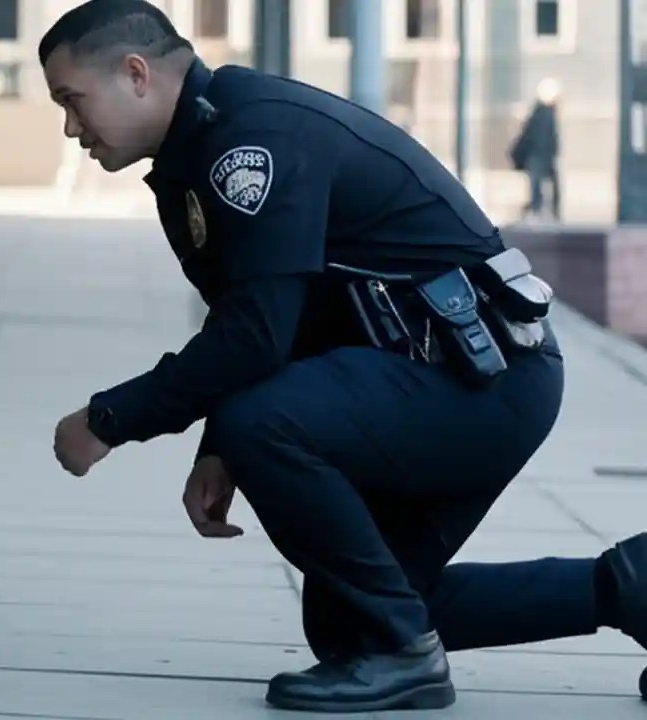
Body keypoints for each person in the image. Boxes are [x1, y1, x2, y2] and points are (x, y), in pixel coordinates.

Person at [40, 0, 646, 712]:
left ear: (136, 73)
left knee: (272, 436)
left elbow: (256, 339)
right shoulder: (205, 143)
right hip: (441, 372)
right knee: (351, 618)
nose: (70, 127)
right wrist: (219, 448)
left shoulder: (250, 141)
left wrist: (111, 418)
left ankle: (402, 654)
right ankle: (630, 587)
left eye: (72, 100)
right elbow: (275, 316)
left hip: (478, 378)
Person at [509, 78, 561, 221]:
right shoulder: (544, 113)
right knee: (540, 185)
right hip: (540, 155)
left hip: (540, 155)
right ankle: (539, 211)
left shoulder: (542, 112)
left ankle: (537, 210)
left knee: (540, 186)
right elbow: (543, 137)